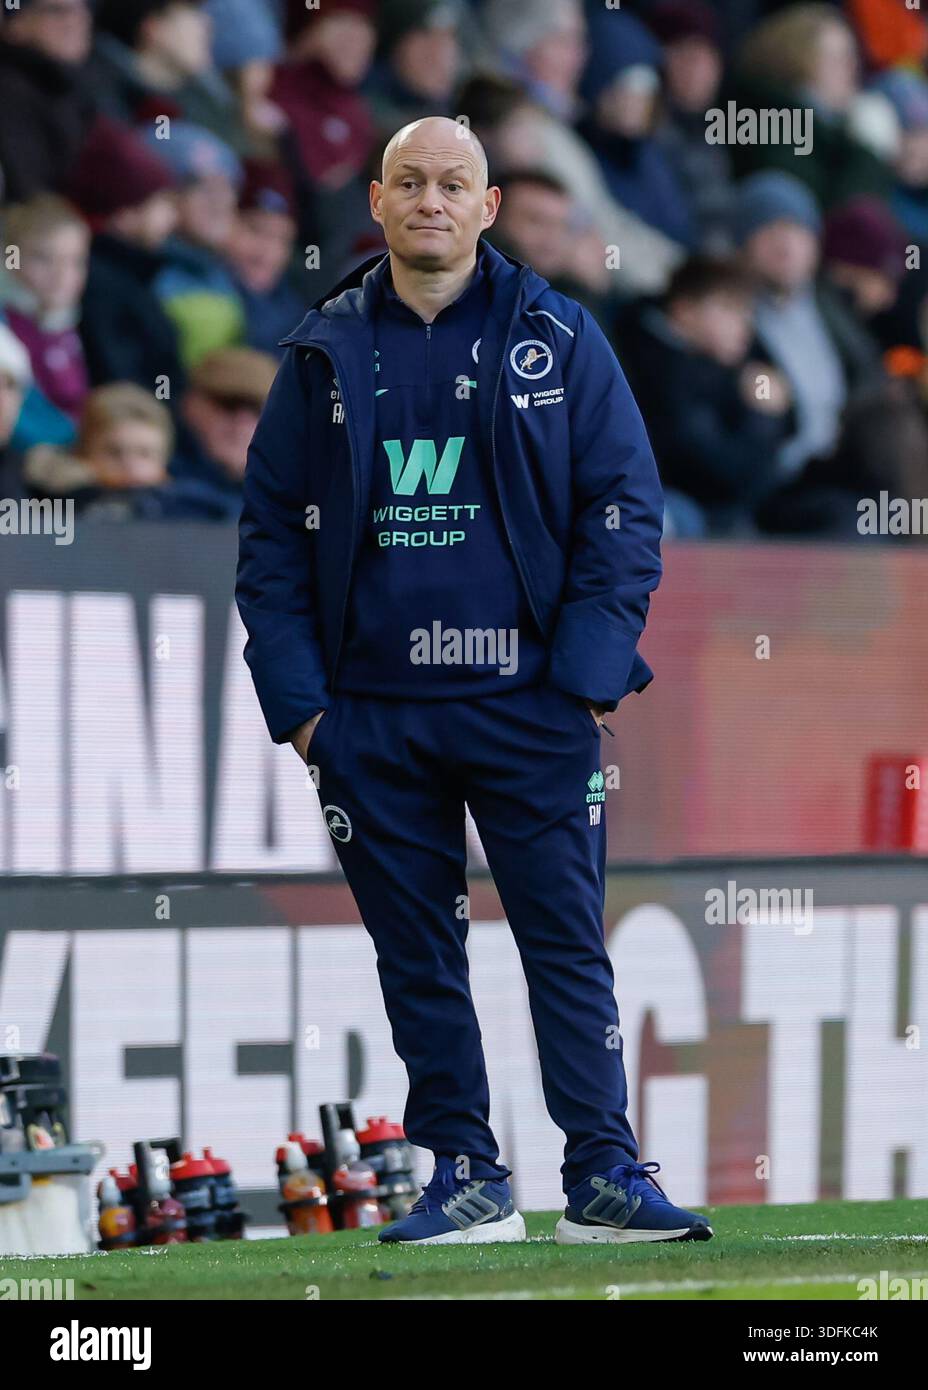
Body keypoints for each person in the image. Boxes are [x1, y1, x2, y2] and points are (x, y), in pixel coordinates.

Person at [236, 114, 712, 1246]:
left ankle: (602, 1172)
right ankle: (465, 1171)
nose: (432, 201)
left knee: (566, 944)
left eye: (455, 183)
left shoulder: (559, 334)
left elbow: (624, 508)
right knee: (419, 957)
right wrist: (305, 714)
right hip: (372, 719)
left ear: (488, 207)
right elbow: (267, 537)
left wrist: (587, 681)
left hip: (531, 706)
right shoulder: (321, 350)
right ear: (379, 203)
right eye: (411, 182)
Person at [0, 0, 95, 202]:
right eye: (58, 11)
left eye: (83, 9)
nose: (76, 20)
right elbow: (26, 195)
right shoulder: (10, 93)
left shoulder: (72, 86)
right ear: (14, 26)